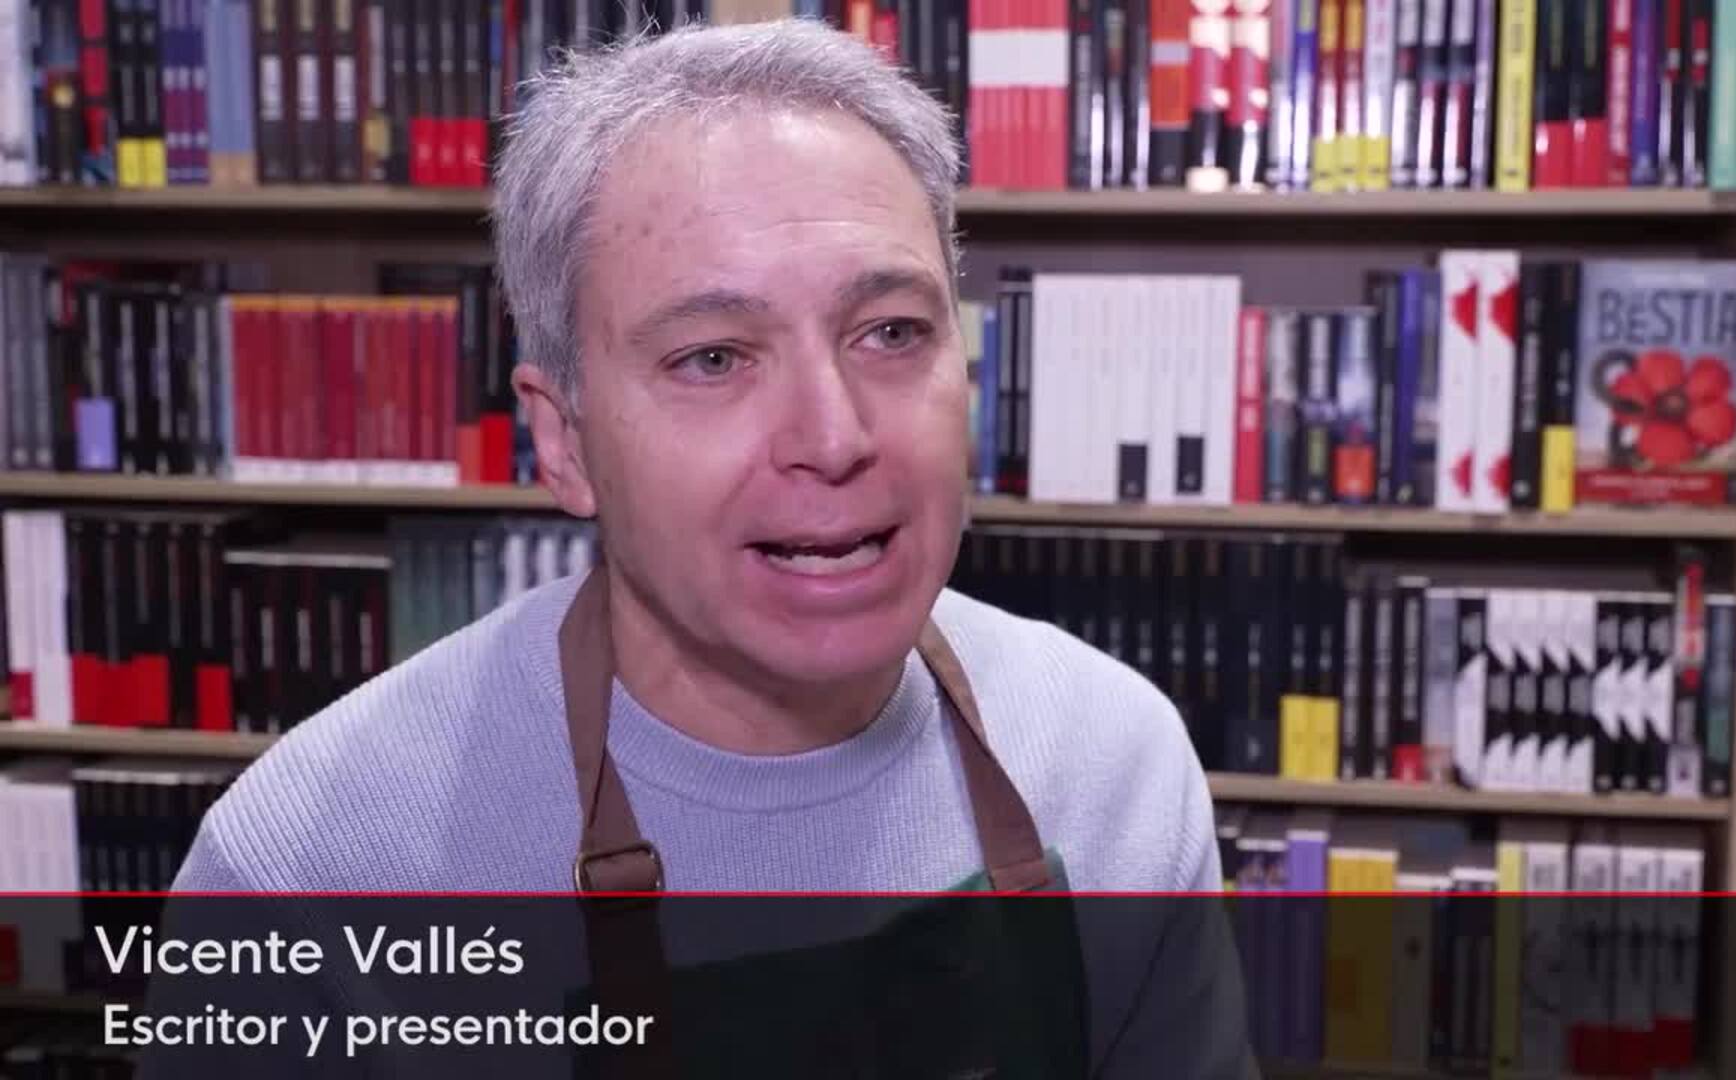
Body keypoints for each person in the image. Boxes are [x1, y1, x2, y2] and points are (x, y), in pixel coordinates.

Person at [173, 18, 1251, 1076]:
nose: (834, 437)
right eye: (714, 358)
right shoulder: (305, 877)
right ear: (565, 442)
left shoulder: (1117, 763)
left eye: (891, 332)